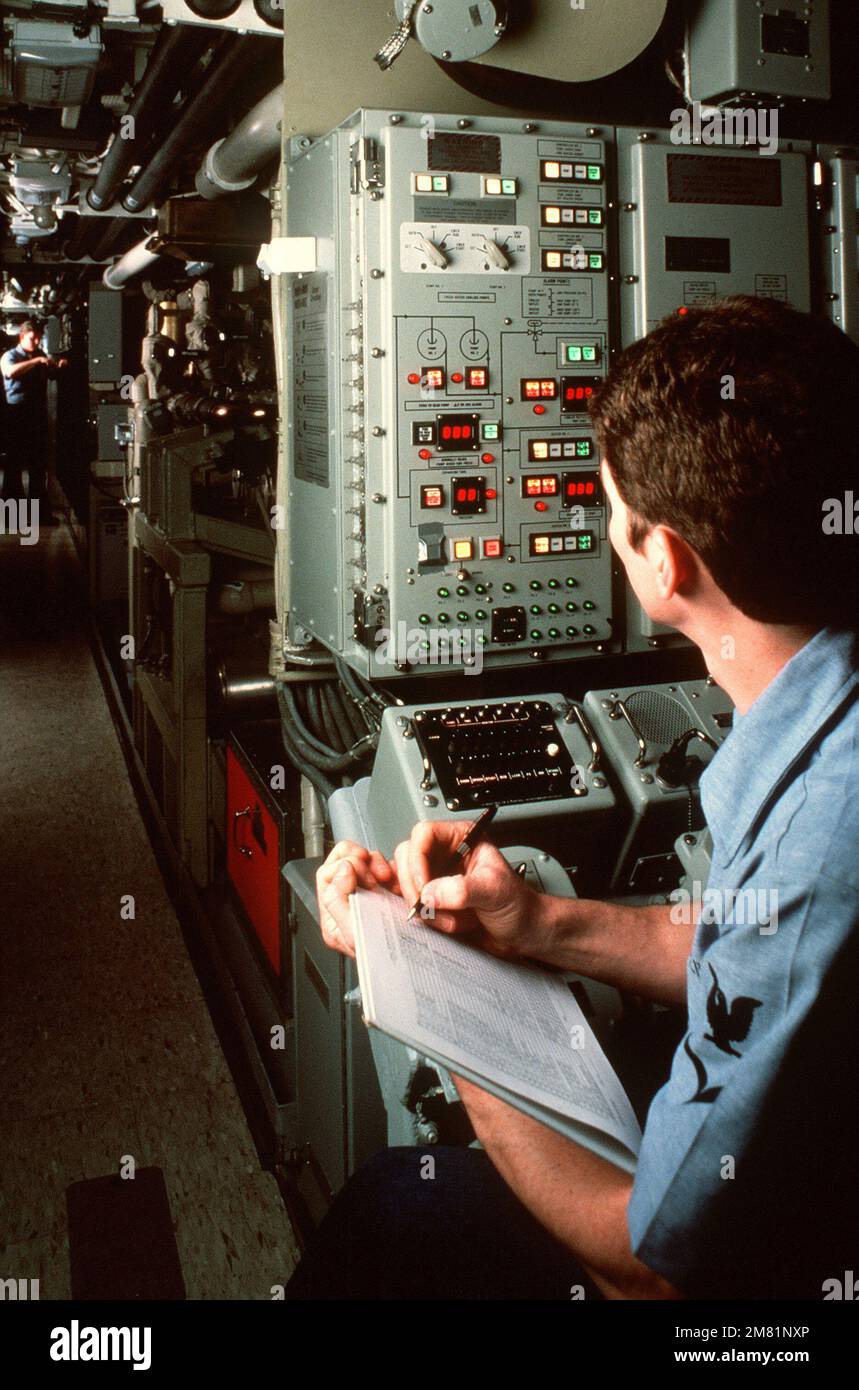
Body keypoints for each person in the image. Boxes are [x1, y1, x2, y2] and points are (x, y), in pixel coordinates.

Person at [293, 296, 859, 1301]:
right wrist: (541, 924)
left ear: (664, 562)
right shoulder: (820, 721)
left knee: (392, 1208)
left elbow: (647, 1270)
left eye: (609, 509)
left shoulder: (822, 832)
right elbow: (760, 957)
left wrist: (437, 1008)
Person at [1, 319, 68, 521]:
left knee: (38, 468)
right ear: (22, 337)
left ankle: (40, 514)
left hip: (36, 417)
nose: (37, 341)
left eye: (39, 337)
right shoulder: (9, 356)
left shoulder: (39, 355)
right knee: (13, 466)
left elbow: (50, 374)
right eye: (33, 338)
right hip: (16, 415)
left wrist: (59, 367)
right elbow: (10, 372)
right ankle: (12, 516)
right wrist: (35, 362)